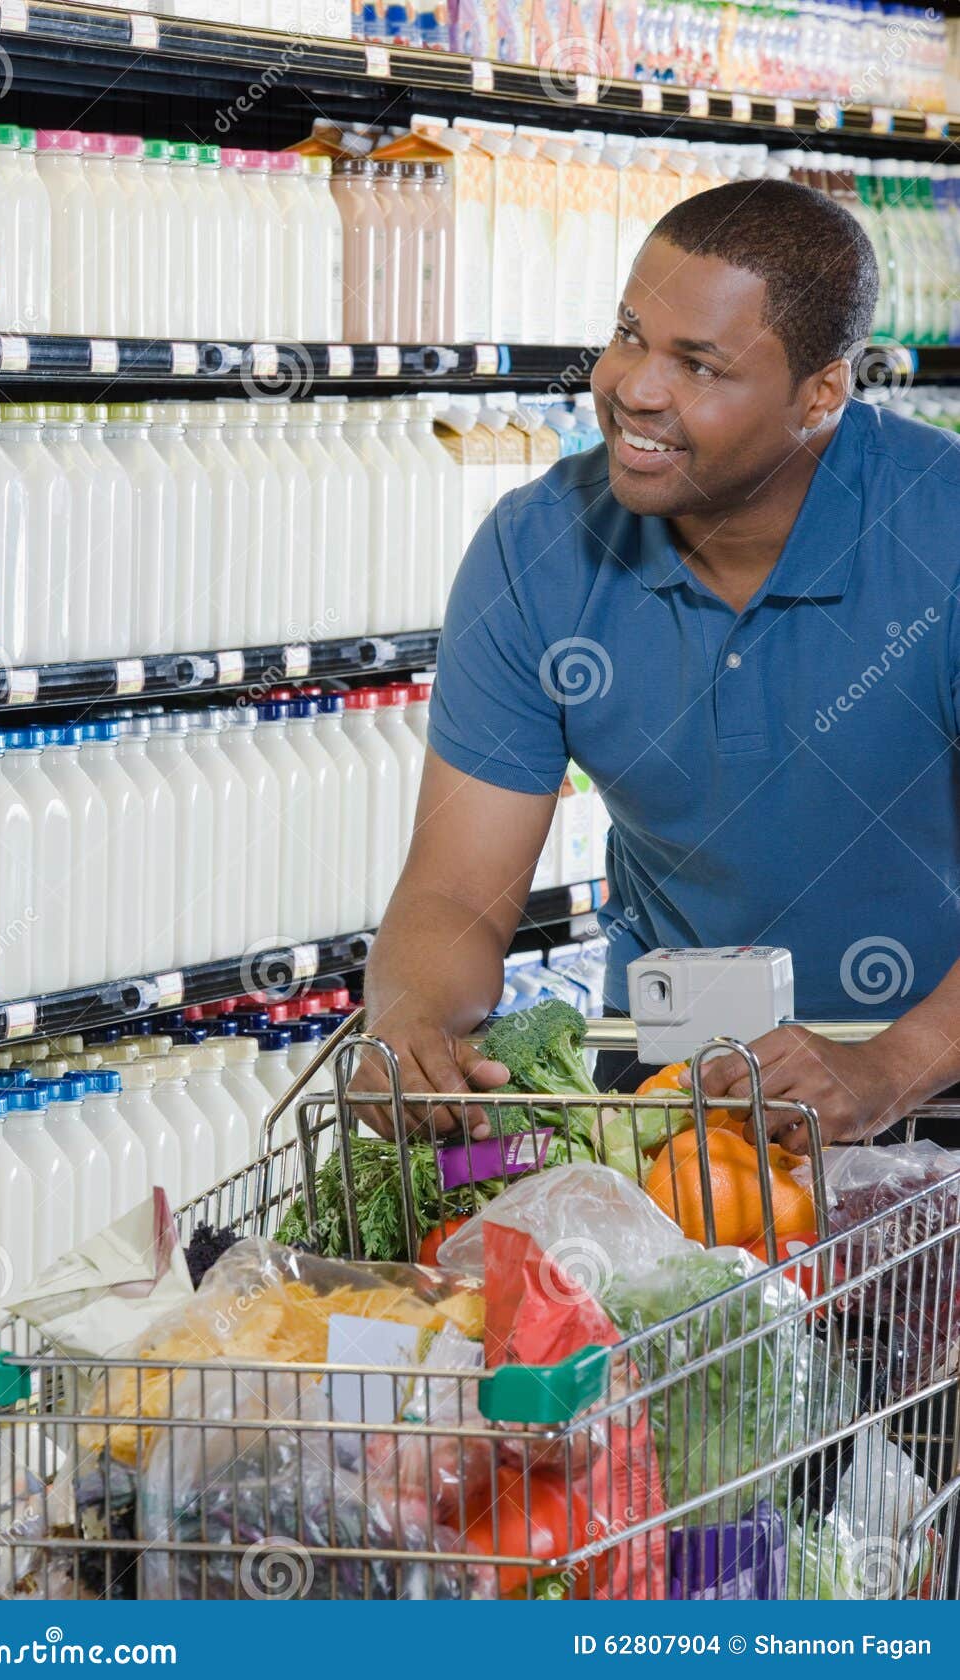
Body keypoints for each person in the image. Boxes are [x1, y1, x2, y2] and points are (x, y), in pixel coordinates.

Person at [356, 177, 960, 1148]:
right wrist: (410, 1022)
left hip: (932, 1090)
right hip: (671, 1100)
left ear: (820, 393)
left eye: (698, 365)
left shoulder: (940, 531)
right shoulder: (537, 552)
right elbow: (455, 891)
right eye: (628, 334)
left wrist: (886, 1067)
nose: (633, 387)